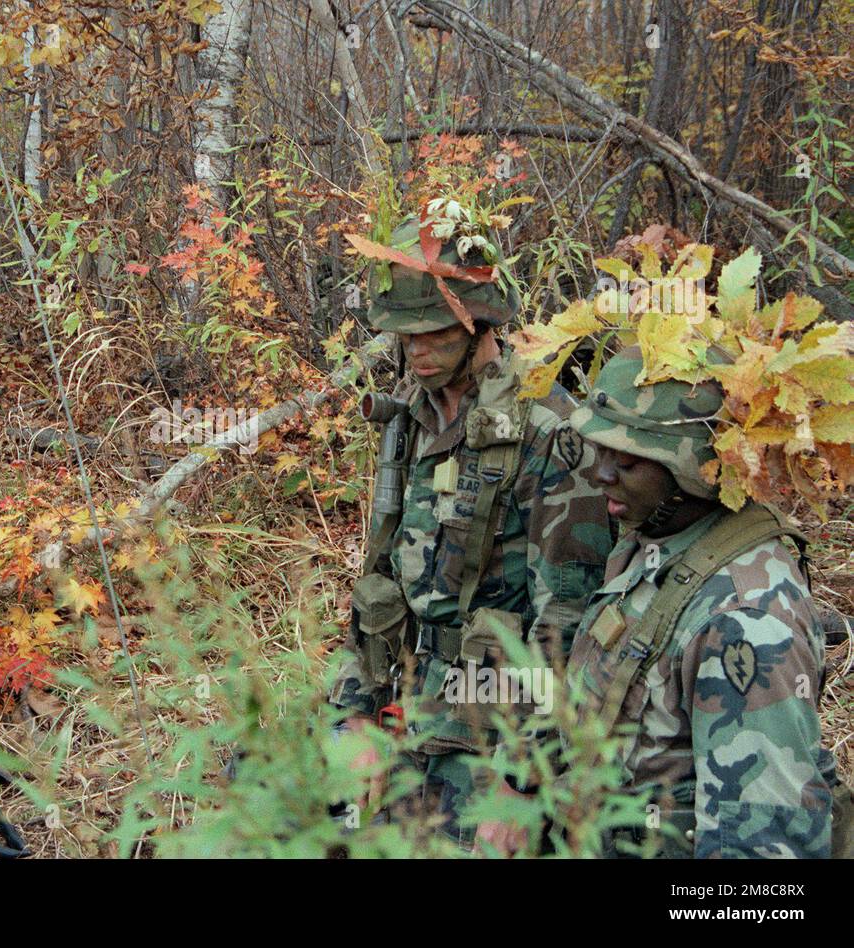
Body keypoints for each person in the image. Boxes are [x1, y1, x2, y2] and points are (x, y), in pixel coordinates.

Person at [329, 218, 612, 847]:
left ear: (480, 323)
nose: (416, 351)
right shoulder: (411, 414)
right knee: (275, 796)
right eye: (405, 335)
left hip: (497, 723)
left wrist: (522, 783)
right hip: (404, 690)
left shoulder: (545, 432)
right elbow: (379, 578)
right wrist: (356, 714)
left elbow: (566, 621)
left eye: (433, 332)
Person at [565, 345, 837, 857]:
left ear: (695, 469)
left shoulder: (744, 621)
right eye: (598, 451)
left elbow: (760, 851)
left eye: (626, 461)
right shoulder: (657, 539)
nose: (601, 474)